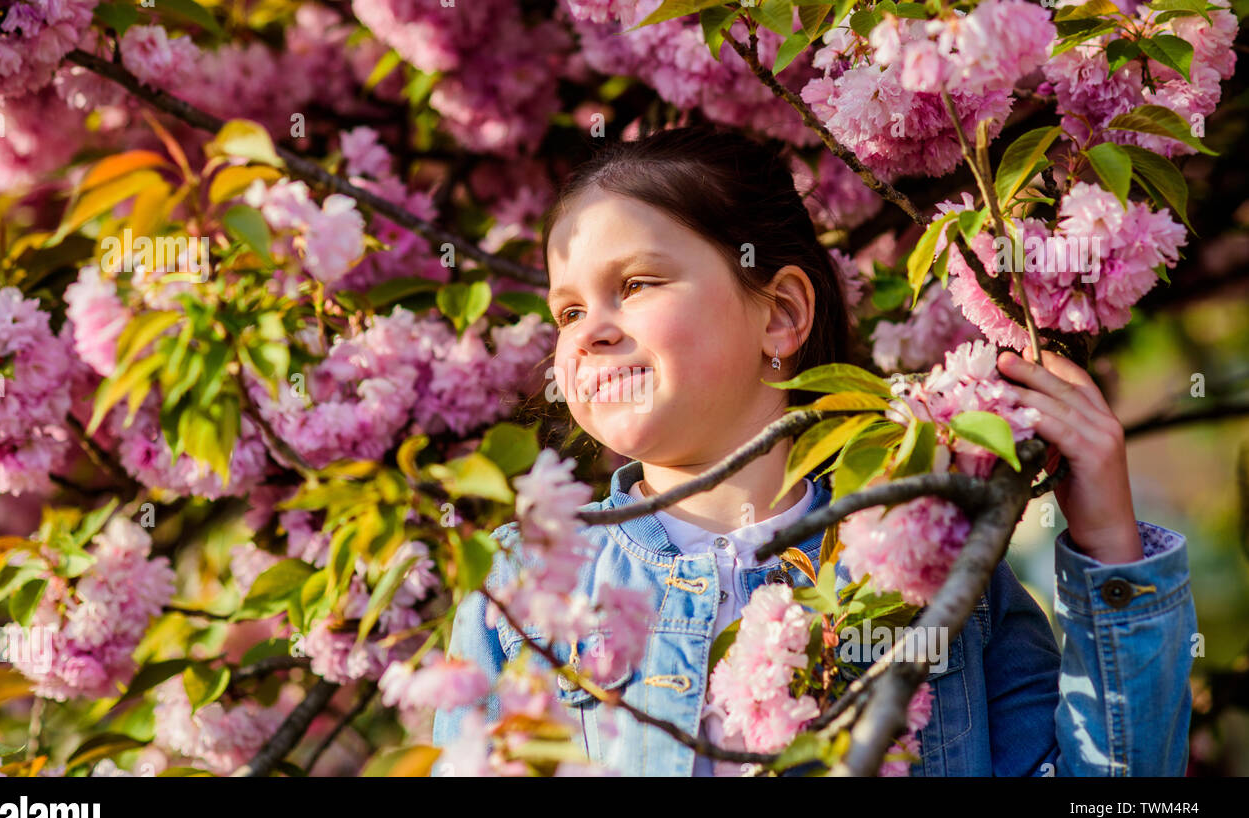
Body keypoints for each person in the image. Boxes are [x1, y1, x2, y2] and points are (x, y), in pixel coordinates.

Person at [431, 124, 1196, 777]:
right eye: (568, 308)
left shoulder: (929, 566)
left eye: (634, 284)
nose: (588, 329)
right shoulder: (521, 586)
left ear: (782, 314)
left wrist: (1109, 547)